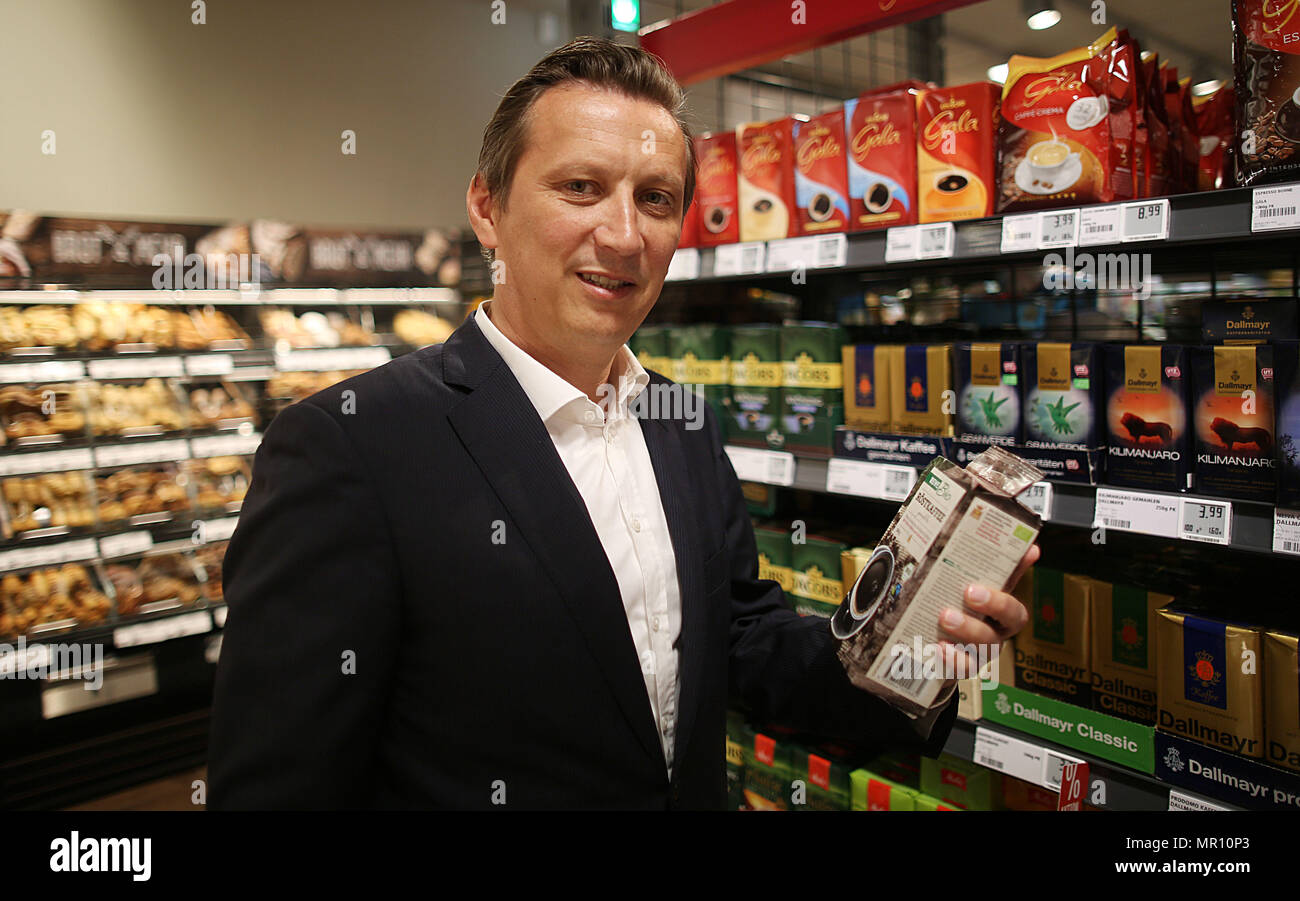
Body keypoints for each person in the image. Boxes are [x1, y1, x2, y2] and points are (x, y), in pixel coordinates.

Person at [207, 37, 1036, 810]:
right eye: (580, 187)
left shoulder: (679, 420)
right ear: (486, 207)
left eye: (655, 199)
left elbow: (741, 643)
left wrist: (916, 643)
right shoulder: (351, 448)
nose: (623, 234)